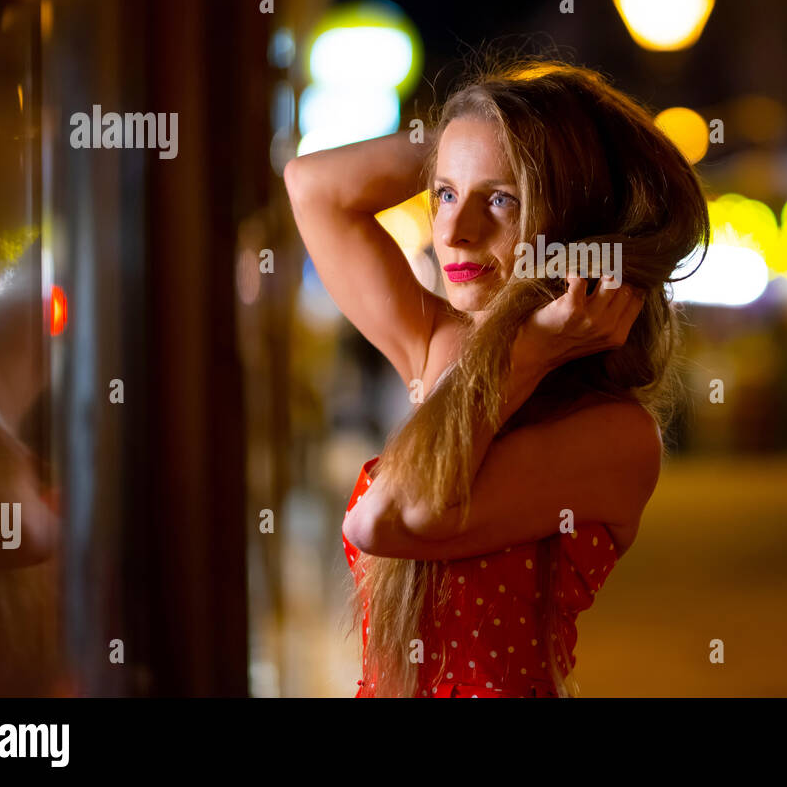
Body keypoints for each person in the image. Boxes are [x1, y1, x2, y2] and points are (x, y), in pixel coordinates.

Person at [283, 57, 709, 697]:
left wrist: (533, 348)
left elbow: (386, 521)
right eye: (445, 194)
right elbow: (312, 184)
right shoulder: (440, 345)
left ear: (569, 226)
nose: (453, 232)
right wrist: (472, 126)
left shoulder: (617, 437)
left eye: (502, 199)